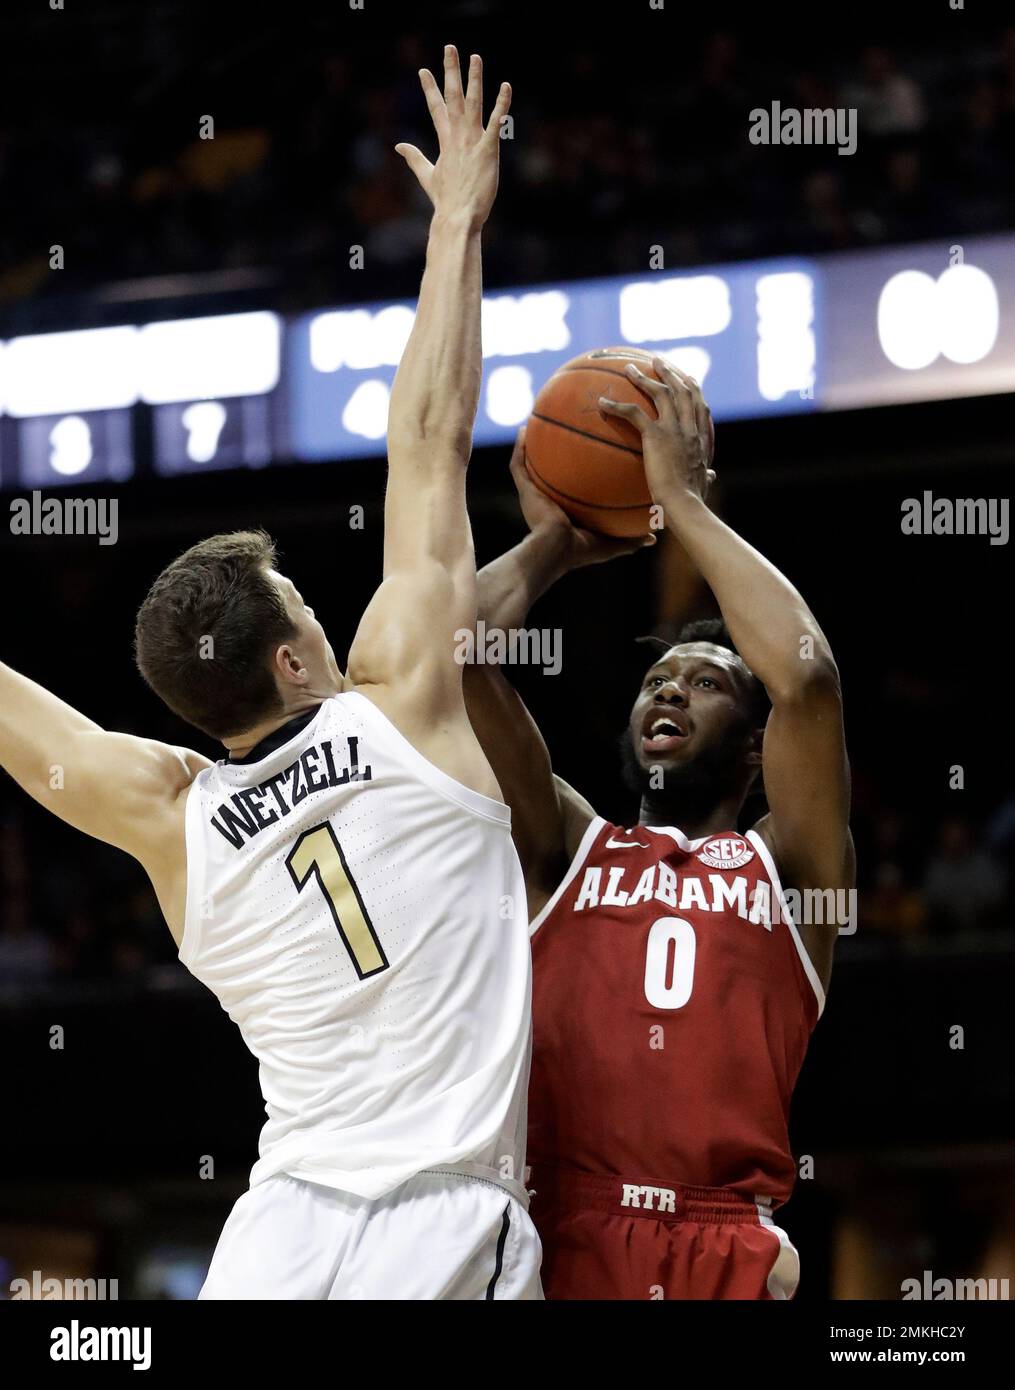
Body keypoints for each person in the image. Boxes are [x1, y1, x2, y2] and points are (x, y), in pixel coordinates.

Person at [0, 47, 542, 1301]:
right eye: (308, 601)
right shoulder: (405, 704)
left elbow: (28, 734)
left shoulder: (170, 820)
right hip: (442, 1219)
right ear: (296, 657)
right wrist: (456, 224)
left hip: (278, 1235)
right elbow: (427, 440)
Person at [465, 361, 854, 1298]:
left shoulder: (789, 868)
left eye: (707, 680)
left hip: (718, 1240)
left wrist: (679, 503)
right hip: (557, 1225)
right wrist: (554, 545)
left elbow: (804, 675)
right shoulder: (565, 845)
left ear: (757, 753)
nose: (670, 686)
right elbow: (455, 654)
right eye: (654, 681)